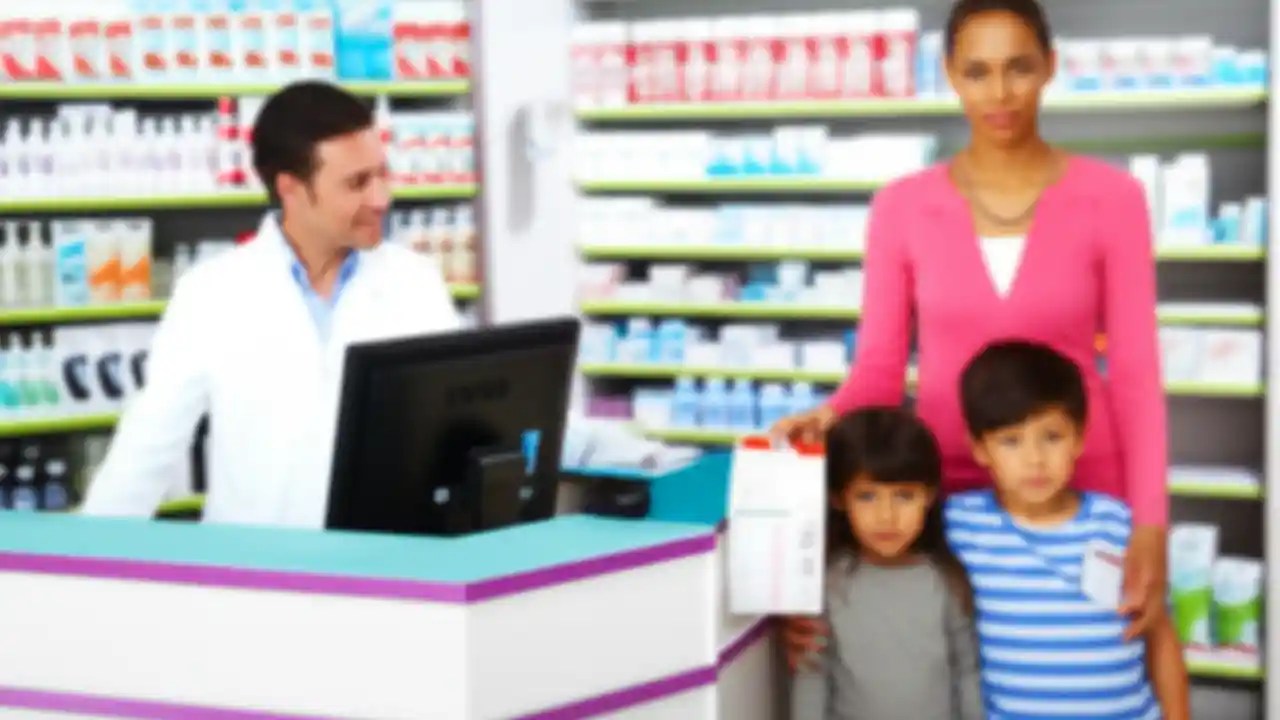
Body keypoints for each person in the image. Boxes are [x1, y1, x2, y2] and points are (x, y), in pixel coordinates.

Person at [775, 0, 1170, 665]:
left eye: (1019, 68)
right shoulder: (901, 207)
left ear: (1050, 67)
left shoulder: (1114, 199)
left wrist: (1151, 522)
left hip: (1077, 486)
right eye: (978, 72)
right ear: (951, 75)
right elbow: (879, 370)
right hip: (948, 489)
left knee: (1082, 671)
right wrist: (828, 416)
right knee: (961, 674)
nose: (1000, 92)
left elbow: (1135, 375)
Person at [80, 81, 460, 527]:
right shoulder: (213, 293)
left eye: (383, 173)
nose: (381, 199)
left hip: (387, 556)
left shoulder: (415, 281)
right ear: (291, 188)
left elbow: (458, 427)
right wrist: (83, 561)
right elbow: (145, 452)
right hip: (257, 564)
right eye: (357, 183)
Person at [946, 340, 1189, 719]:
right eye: (1011, 441)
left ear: (1079, 437)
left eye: (1052, 437)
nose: (1035, 459)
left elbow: (1160, 634)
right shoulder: (960, 524)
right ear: (979, 448)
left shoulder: (1119, 523)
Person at [791, 407, 985, 720]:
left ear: (929, 496)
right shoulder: (828, 582)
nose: (886, 516)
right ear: (839, 498)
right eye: (867, 496)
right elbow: (813, 675)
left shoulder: (946, 580)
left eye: (904, 496)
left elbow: (967, 671)